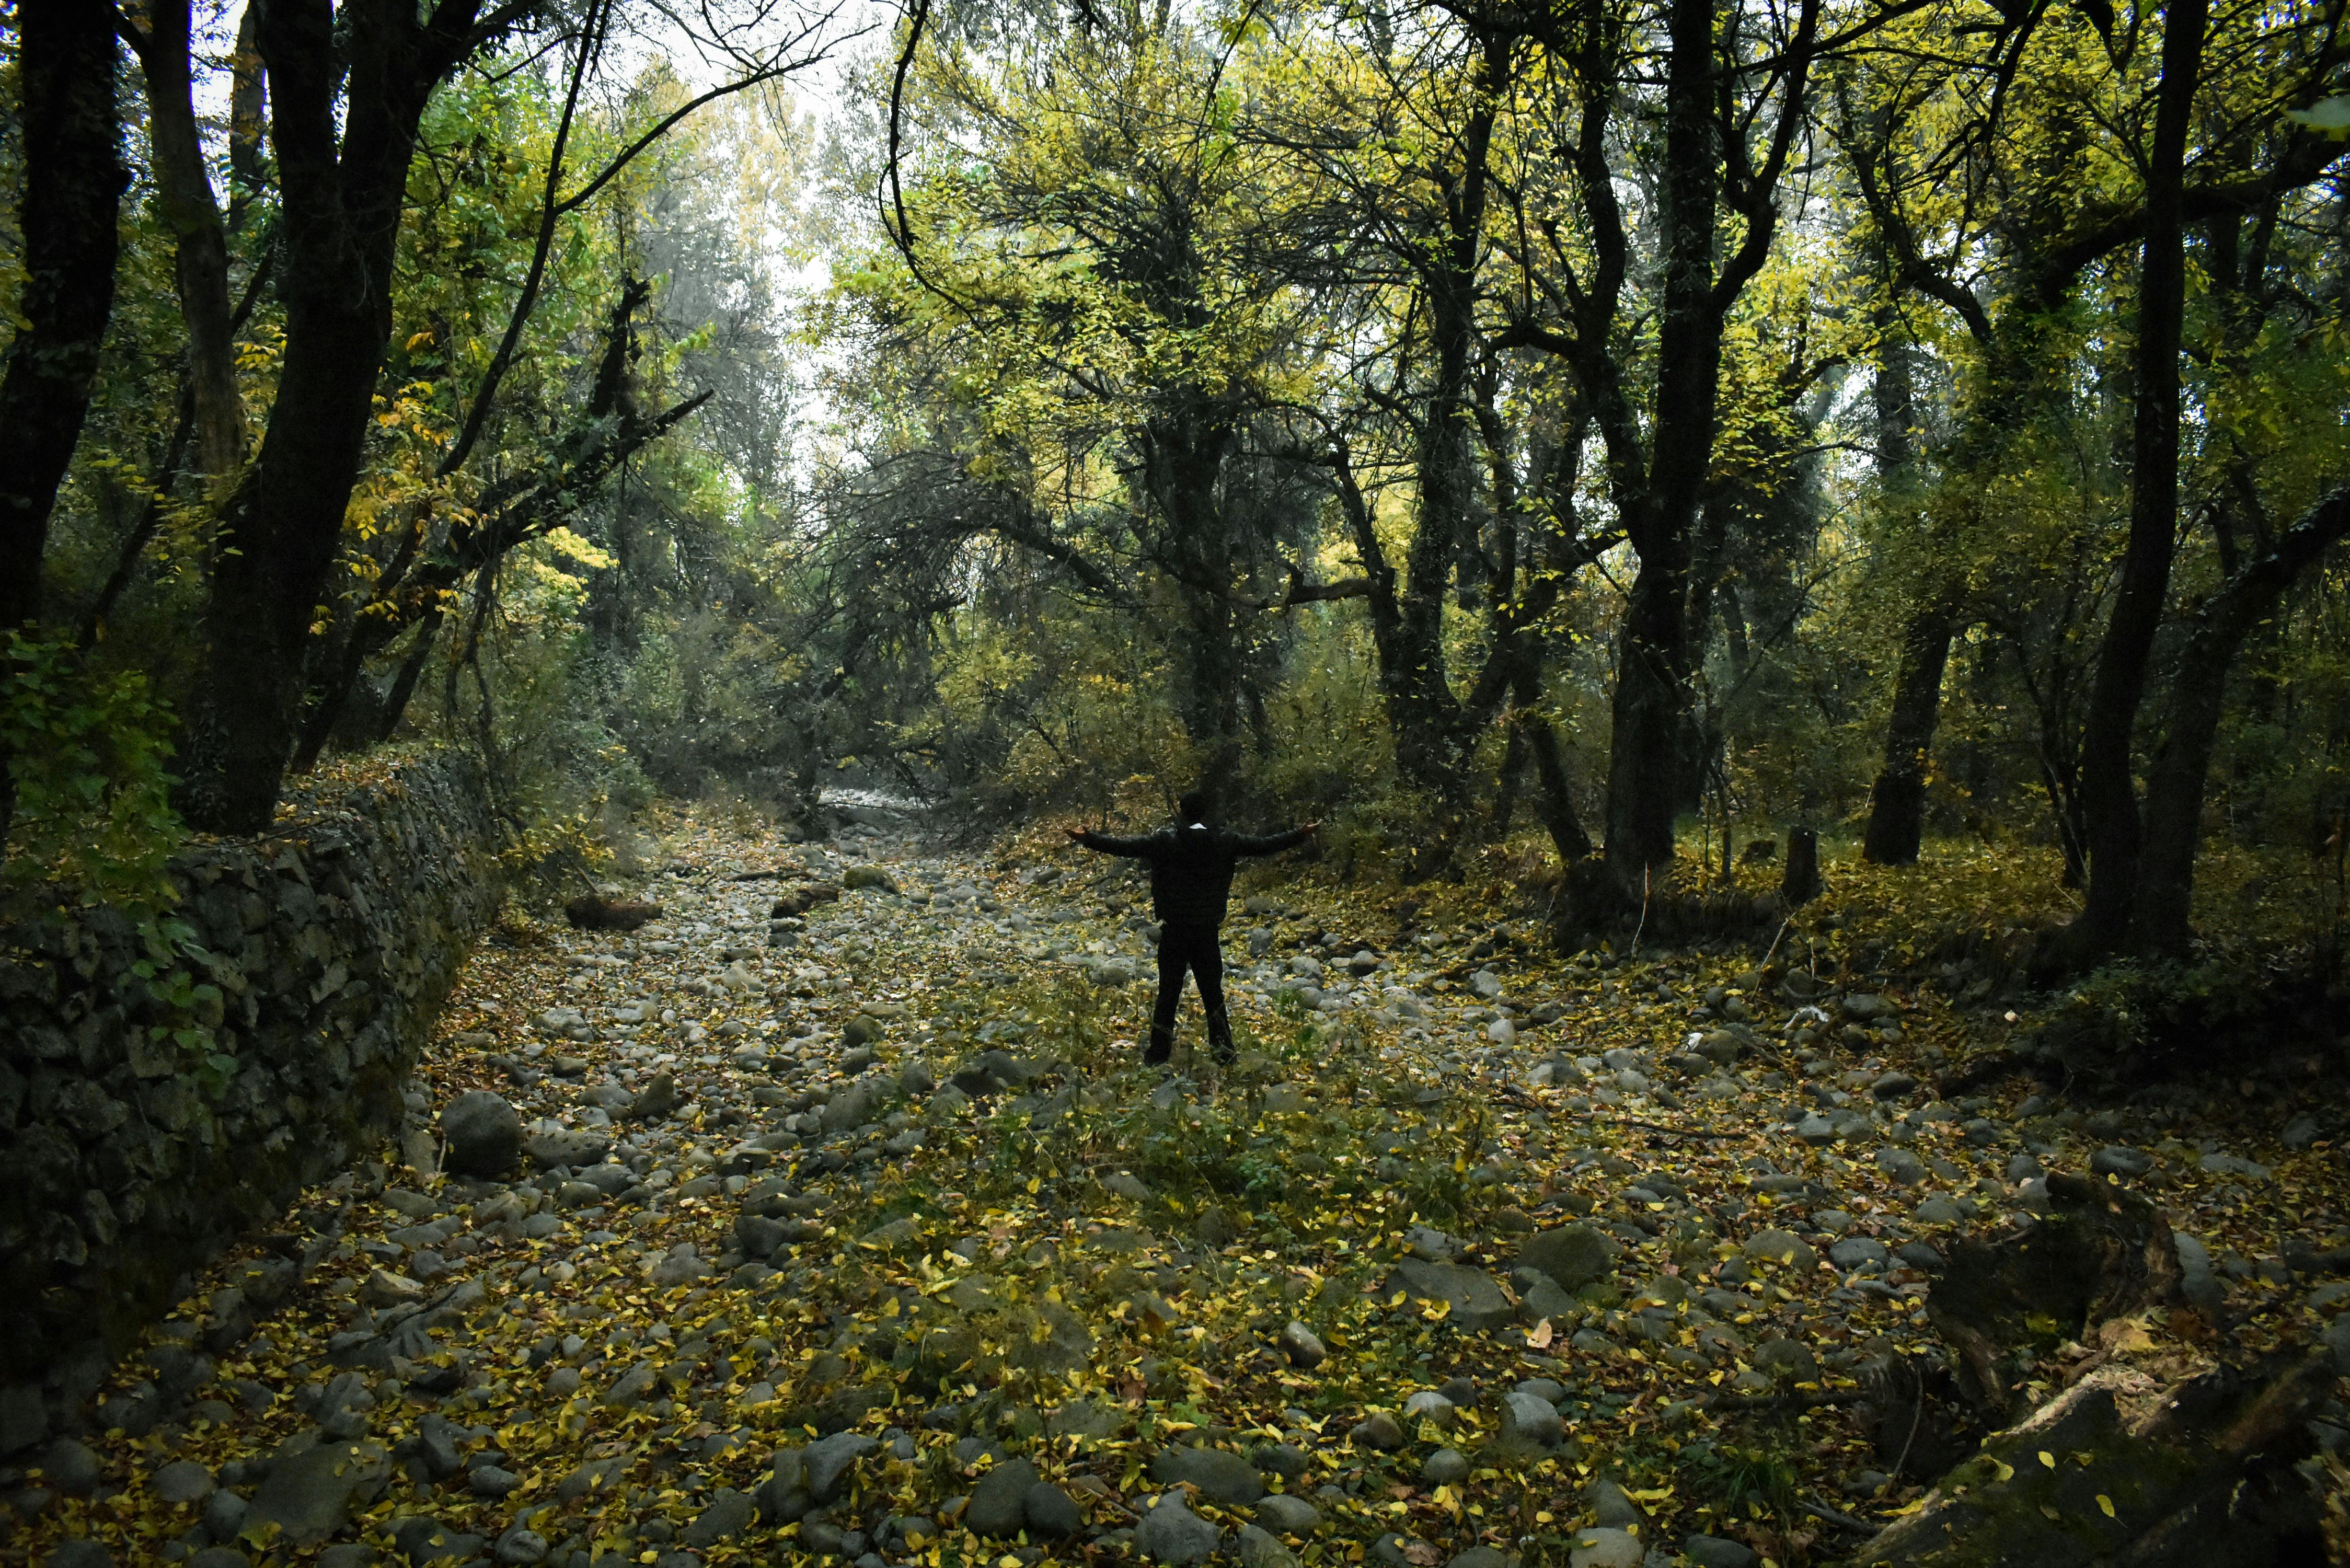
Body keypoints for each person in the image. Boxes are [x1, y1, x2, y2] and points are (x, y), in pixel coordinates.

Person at [1067, 792, 1318, 1071]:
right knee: (1212, 993)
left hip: (1174, 930)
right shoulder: (1225, 840)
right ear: (1205, 813)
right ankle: (1224, 1053)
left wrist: (1089, 839)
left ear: (1182, 812)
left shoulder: (1165, 840)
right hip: (1206, 930)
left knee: (1168, 992)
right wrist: (1300, 834)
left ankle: (1158, 1055)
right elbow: (1265, 846)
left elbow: (1125, 847)